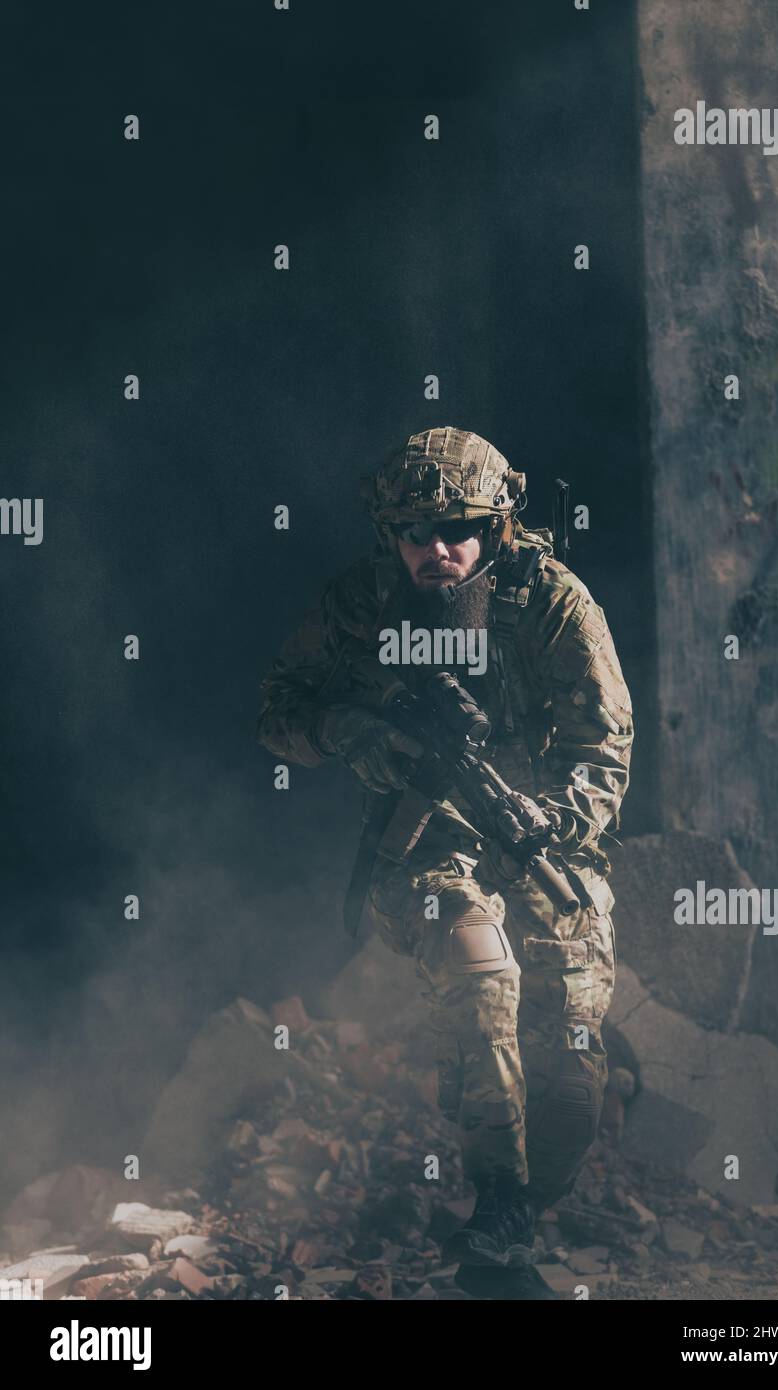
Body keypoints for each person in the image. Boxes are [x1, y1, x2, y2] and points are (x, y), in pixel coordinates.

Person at [257, 427, 633, 1299]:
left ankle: (524, 1206)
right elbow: (280, 707)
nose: (438, 549)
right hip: (424, 843)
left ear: (497, 525)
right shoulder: (362, 601)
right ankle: (496, 1215)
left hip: (540, 836)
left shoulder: (551, 603)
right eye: (417, 532)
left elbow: (605, 750)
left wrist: (552, 819)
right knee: (480, 973)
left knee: (573, 1069)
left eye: (458, 527)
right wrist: (355, 732)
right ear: (390, 535)